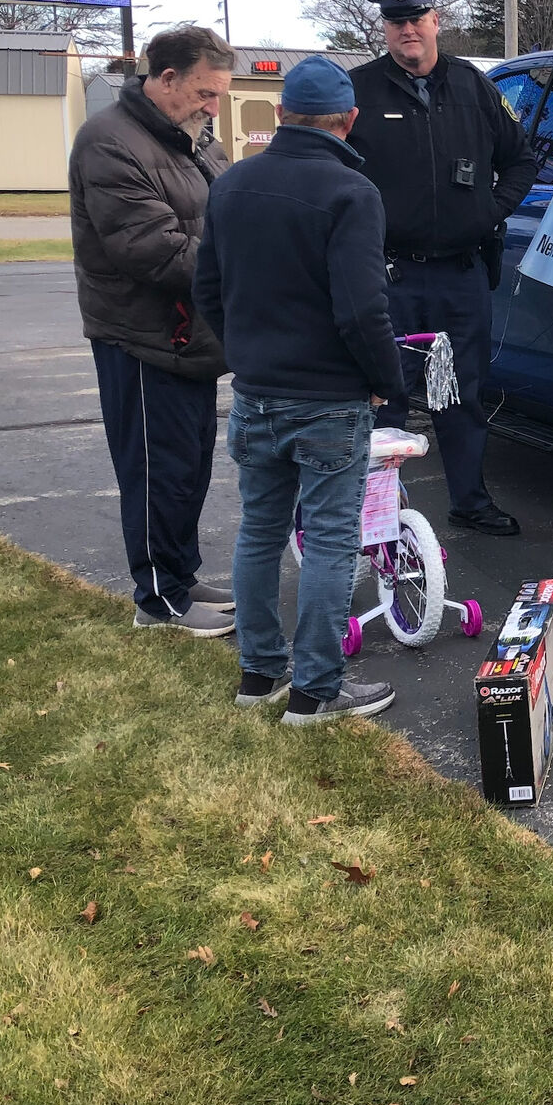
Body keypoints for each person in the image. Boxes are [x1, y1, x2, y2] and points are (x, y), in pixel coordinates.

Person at [193, 57, 408, 727]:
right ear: (349, 121)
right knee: (331, 538)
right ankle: (316, 689)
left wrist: (248, 353)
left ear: (281, 115)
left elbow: (207, 289)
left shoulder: (231, 185)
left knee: (259, 528)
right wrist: (385, 382)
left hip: (256, 391)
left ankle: (259, 672)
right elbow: (361, 310)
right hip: (328, 399)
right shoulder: (352, 193)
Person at [347, 0, 536, 536]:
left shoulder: (474, 87)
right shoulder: (358, 91)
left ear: (436, 21)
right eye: (396, 20)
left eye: (418, 17)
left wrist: (488, 211)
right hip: (388, 273)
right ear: (384, 28)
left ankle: (470, 503)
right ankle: (379, 519)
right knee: (386, 399)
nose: (408, 28)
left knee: (462, 392)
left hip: (460, 272)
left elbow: (522, 161)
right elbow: (331, 169)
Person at [69, 24, 236, 637]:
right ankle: (159, 599)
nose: (213, 106)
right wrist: (246, 263)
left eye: (217, 95)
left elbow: (233, 210)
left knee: (189, 465)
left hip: (191, 337)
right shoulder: (109, 143)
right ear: (165, 79)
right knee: (152, 468)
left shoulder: (197, 140)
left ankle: (181, 575)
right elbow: (154, 251)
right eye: (205, 93)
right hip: (142, 336)